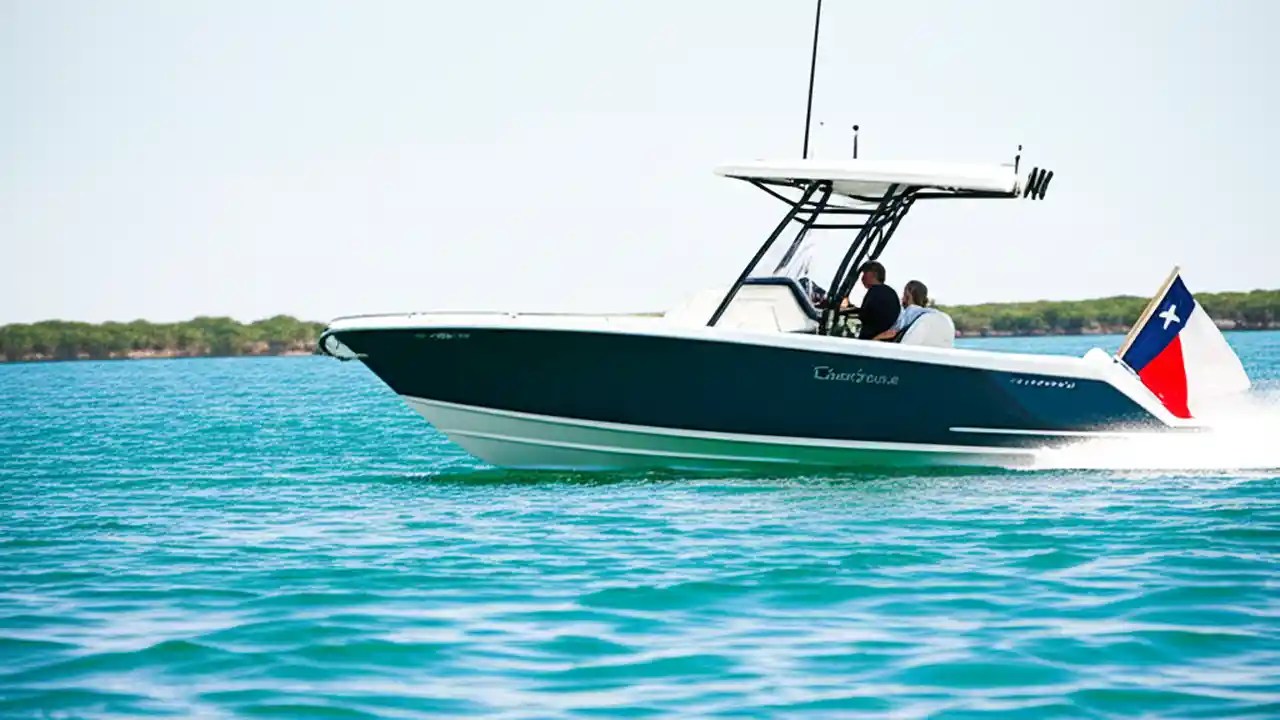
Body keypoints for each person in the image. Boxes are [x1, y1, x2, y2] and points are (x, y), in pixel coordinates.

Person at [839, 261, 899, 340]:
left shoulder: (875, 292)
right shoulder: (889, 292)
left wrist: (843, 311)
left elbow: (864, 314)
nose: (862, 278)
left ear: (871, 274)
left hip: (871, 337)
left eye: (864, 274)